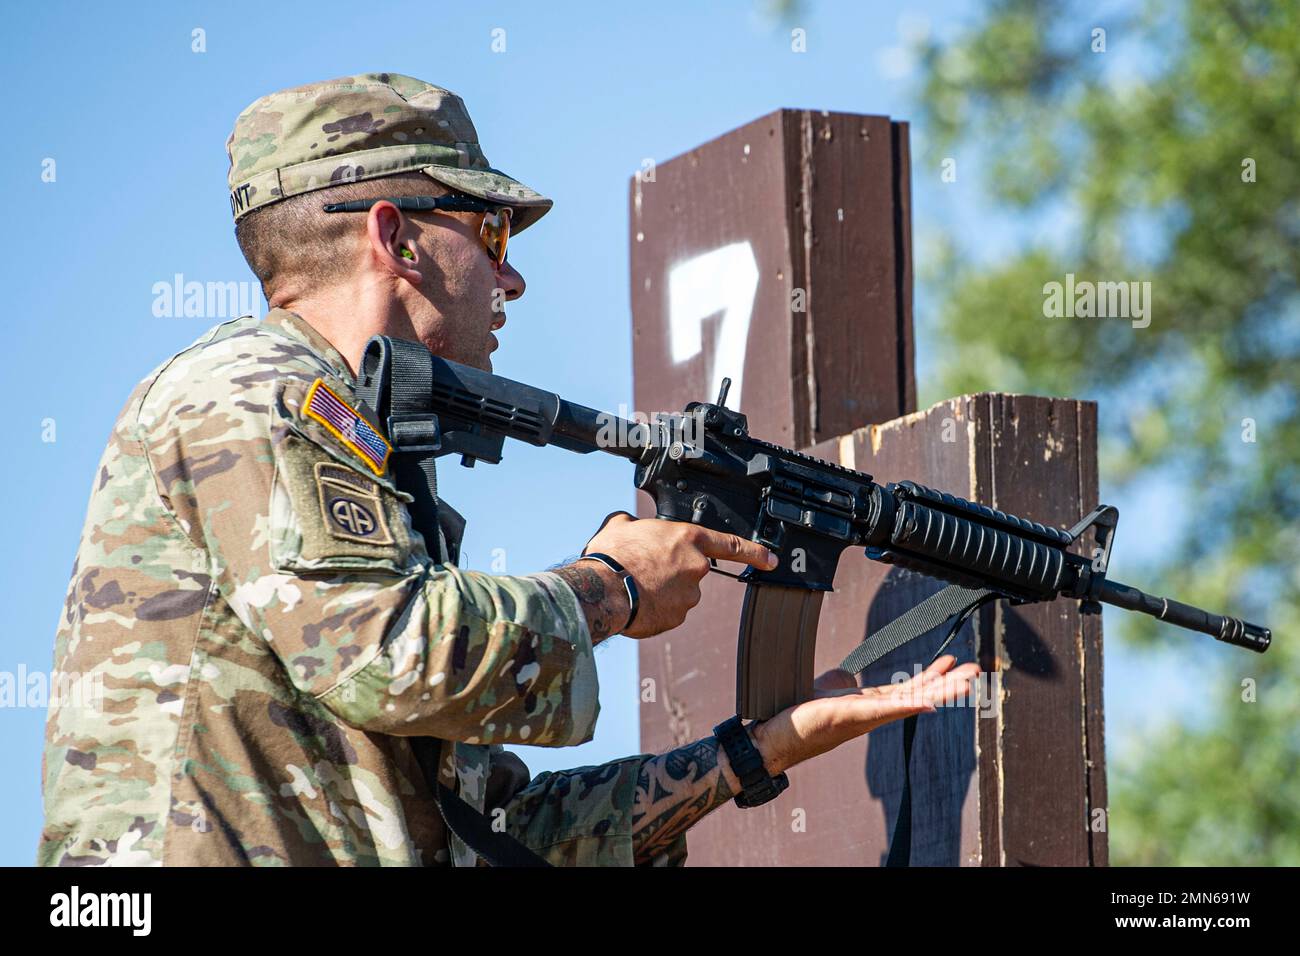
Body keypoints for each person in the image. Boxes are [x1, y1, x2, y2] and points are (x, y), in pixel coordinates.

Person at [38, 73, 980, 867]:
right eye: (492, 235)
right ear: (394, 238)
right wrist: (609, 588)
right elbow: (394, 656)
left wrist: (756, 751)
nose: (513, 279)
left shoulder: (349, 437)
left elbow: (495, 829)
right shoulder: (255, 391)